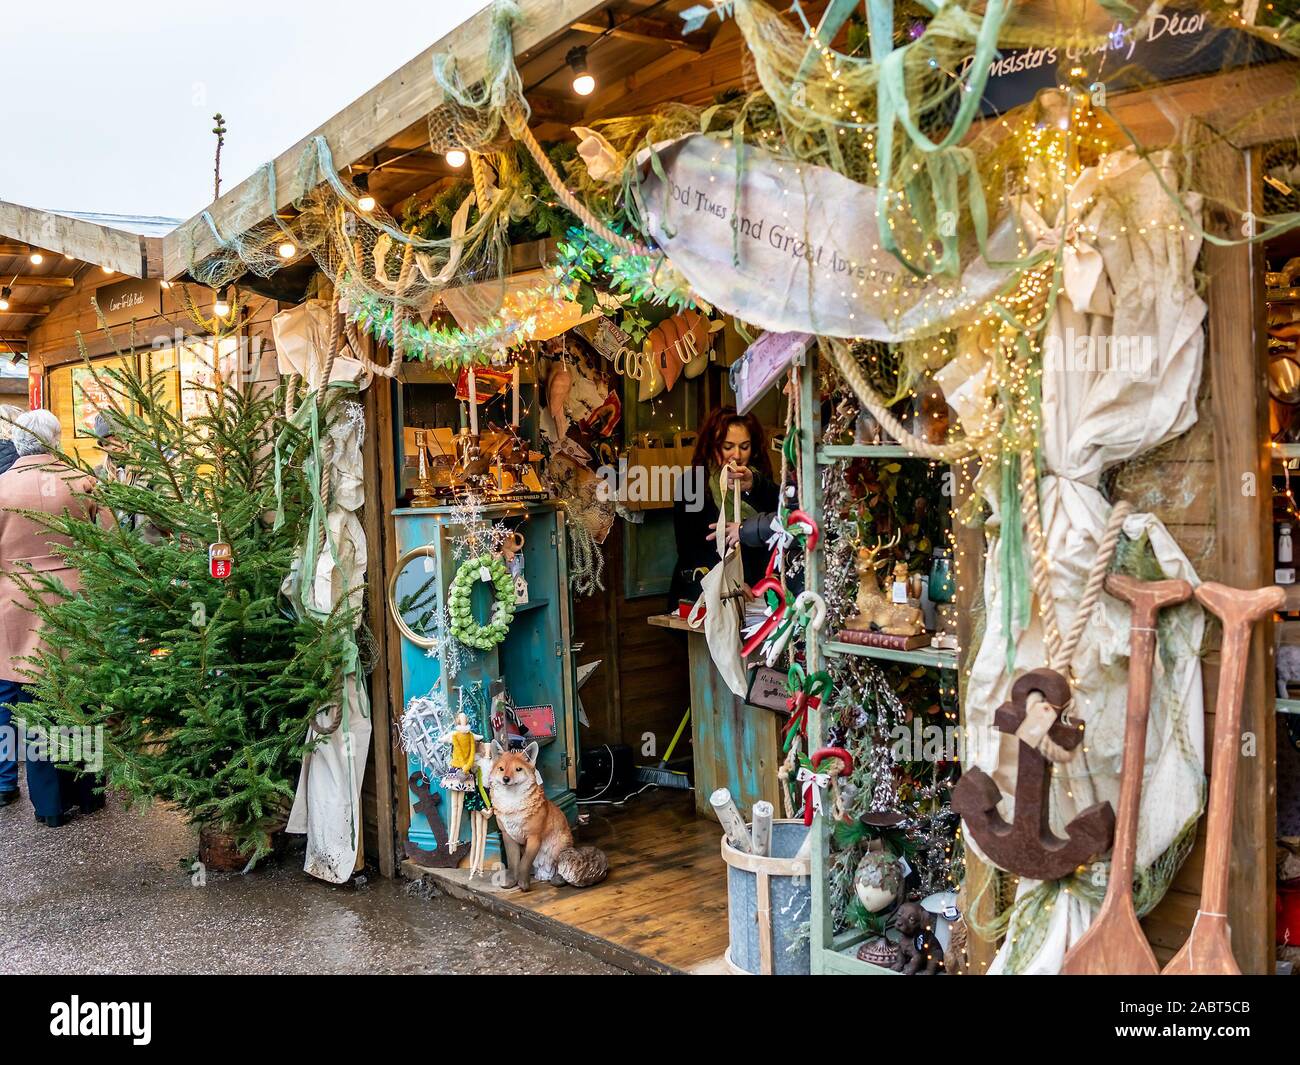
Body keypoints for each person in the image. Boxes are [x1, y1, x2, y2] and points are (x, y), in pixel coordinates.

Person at [0, 410, 103, 825]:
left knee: (31, 700)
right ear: (57, 440)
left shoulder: (1, 487)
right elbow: (110, 542)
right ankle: (90, 792)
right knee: (81, 696)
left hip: (18, 604)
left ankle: (50, 806)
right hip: (78, 599)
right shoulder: (84, 481)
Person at [669, 406, 778, 610]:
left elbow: (781, 516)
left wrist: (755, 485)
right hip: (706, 591)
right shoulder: (692, 484)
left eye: (744, 446)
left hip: (757, 594)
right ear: (713, 445)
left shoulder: (759, 481)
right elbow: (688, 549)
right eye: (728, 446)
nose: (736, 455)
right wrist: (729, 583)